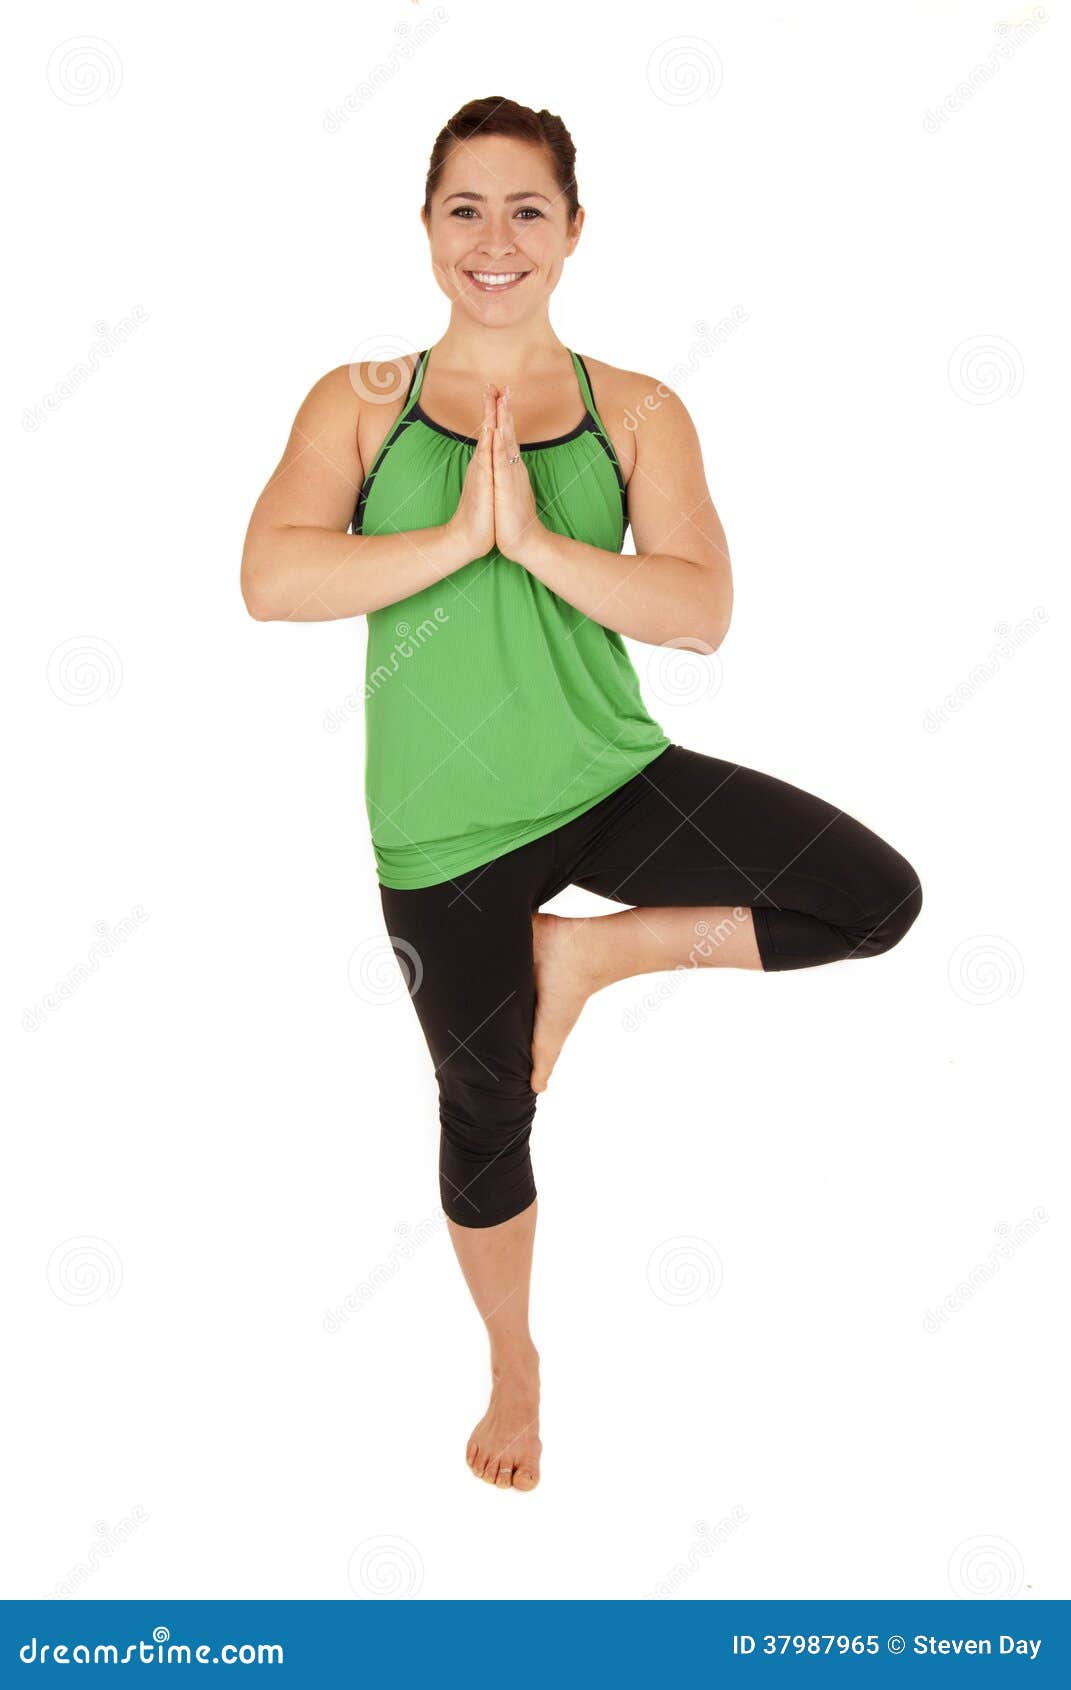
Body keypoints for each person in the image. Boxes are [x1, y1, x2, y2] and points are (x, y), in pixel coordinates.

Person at [240, 96, 923, 1495]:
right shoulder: (357, 401)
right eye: (466, 210)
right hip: (443, 825)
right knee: (486, 1112)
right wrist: (453, 533)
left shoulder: (636, 408)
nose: (496, 241)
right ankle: (514, 1360)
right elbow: (272, 579)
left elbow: (700, 609)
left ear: (574, 230)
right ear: (428, 226)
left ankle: (595, 950)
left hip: (606, 772)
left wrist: (536, 541)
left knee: (873, 896)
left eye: (527, 210)